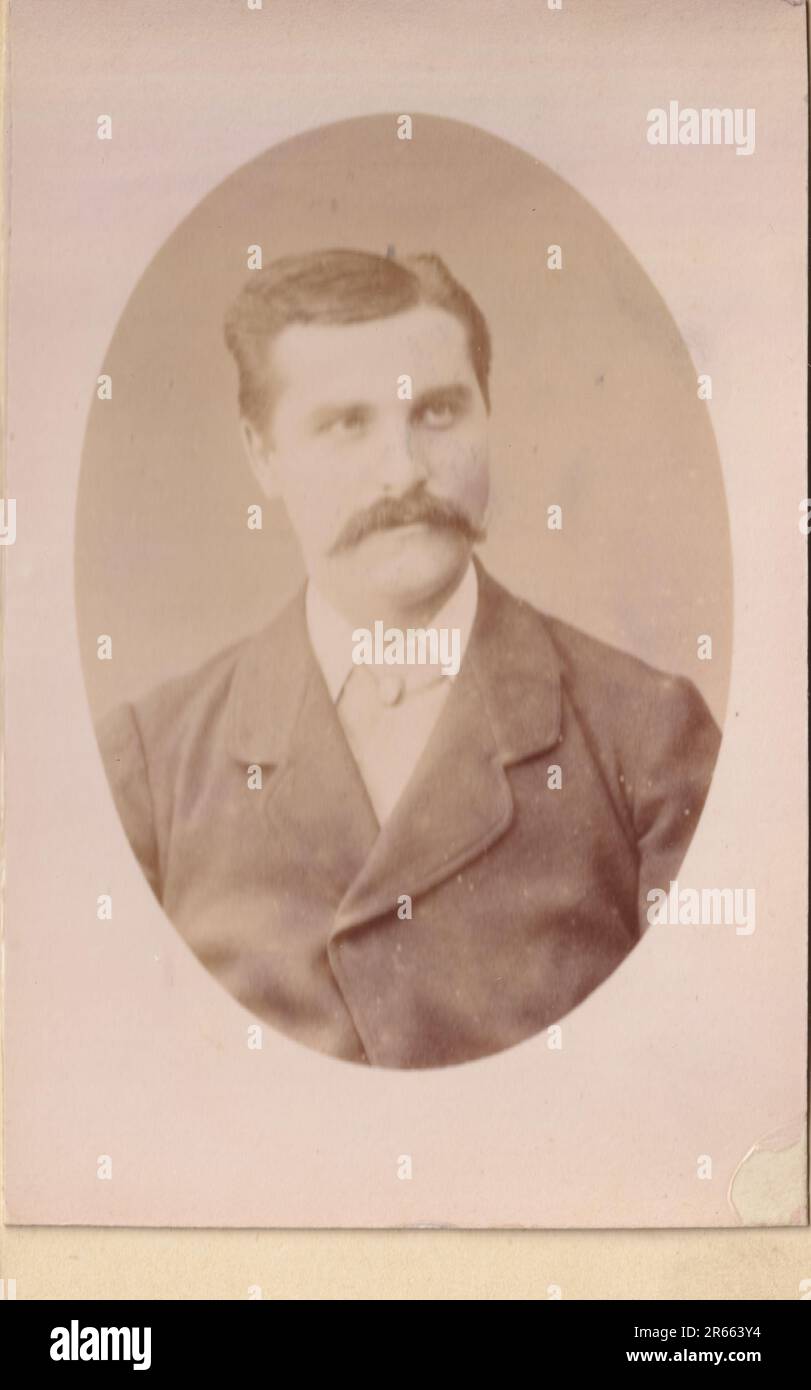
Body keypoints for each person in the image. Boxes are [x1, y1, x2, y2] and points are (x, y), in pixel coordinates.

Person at [96, 247, 721, 1069]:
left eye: (436, 413)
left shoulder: (646, 738)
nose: (403, 470)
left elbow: (696, 1075)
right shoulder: (151, 766)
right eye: (346, 423)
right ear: (261, 454)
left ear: (487, 417)